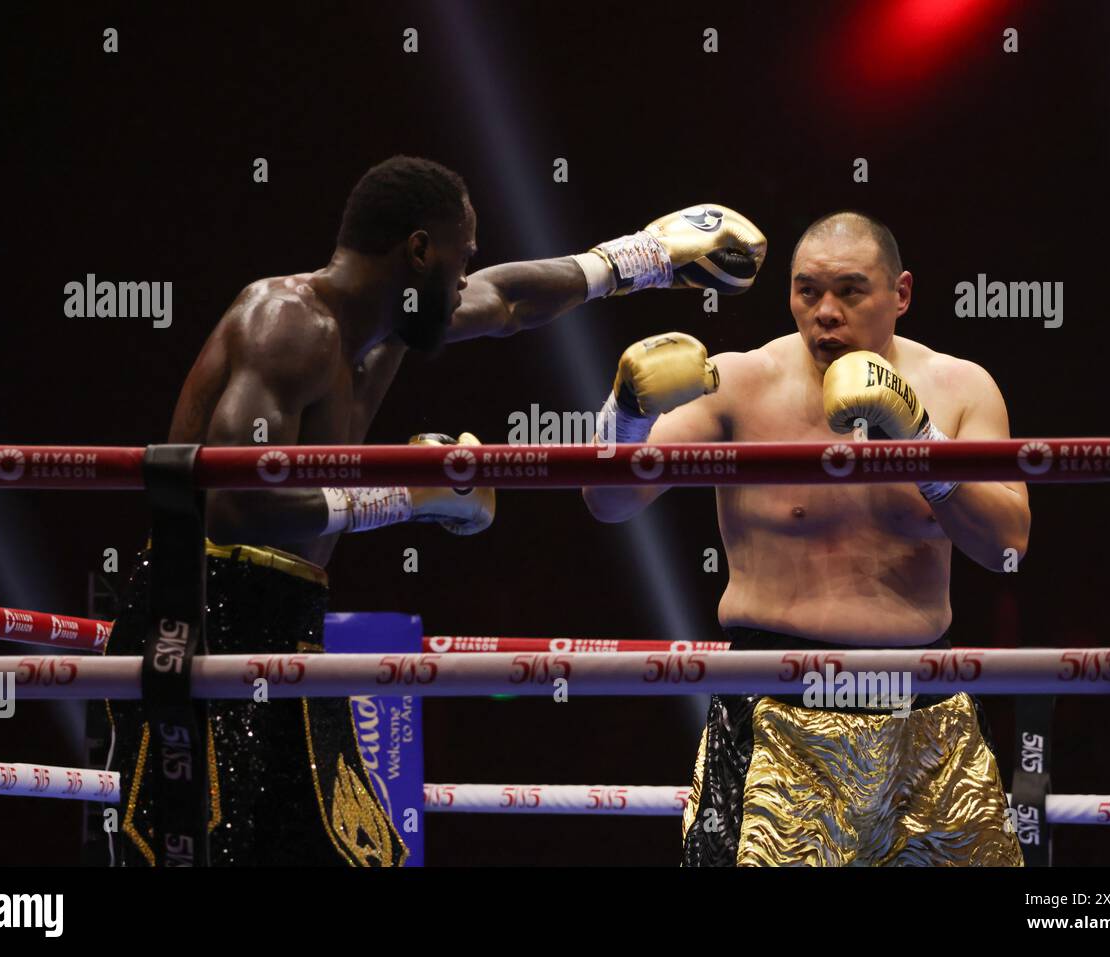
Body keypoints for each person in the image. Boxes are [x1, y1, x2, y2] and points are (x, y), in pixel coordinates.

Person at [106, 155, 767, 865]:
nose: (461, 281)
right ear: (419, 249)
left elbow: (507, 301)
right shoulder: (286, 324)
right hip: (201, 616)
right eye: (460, 258)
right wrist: (407, 497)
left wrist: (646, 257)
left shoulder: (387, 323)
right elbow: (236, 507)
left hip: (285, 617)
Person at [582, 210, 1028, 866]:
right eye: (807, 291)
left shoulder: (962, 389)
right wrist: (624, 416)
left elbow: (1007, 546)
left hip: (926, 714)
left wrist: (920, 442)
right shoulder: (737, 383)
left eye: (850, 291)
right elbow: (609, 500)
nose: (825, 312)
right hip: (774, 710)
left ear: (900, 294)